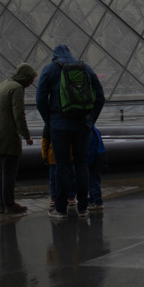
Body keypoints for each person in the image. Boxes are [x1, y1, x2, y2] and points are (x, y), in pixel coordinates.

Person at [34, 44, 105, 220]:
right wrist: (90, 120)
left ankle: (61, 209)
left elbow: (40, 99)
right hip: (82, 125)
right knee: (81, 165)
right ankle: (83, 208)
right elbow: (100, 97)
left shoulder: (50, 69)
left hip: (59, 125)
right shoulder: (85, 68)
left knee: (61, 166)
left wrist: (49, 121)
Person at [0, 62, 38, 214]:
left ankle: (2, 204)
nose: (32, 82)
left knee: (0, 172)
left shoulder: (4, 84)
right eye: (31, 78)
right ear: (24, 77)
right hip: (7, 136)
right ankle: (9, 204)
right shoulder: (17, 88)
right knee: (9, 173)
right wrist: (26, 135)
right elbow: (19, 114)